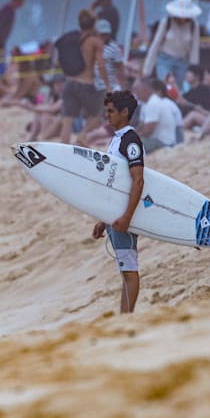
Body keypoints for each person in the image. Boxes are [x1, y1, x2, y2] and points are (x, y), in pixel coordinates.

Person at [90, 90, 145, 314]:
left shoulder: (131, 140)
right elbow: (116, 183)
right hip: (115, 216)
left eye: (111, 111)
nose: (107, 115)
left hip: (124, 215)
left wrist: (127, 217)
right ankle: (124, 317)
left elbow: (138, 180)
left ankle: (127, 319)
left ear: (124, 112)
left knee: (129, 270)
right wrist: (103, 220)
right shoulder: (117, 139)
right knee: (125, 270)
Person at [57, 9, 108, 144]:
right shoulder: (95, 42)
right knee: (98, 113)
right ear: (94, 24)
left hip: (69, 82)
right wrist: (108, 85)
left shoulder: (71, 39)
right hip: (86, 84)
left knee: (67, 121)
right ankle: (82, 135)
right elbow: (101, 66)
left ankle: (63, 149)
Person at [143, 0, 201, 89]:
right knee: (164, 87)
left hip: (182, 62)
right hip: (164, 59)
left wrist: (193, 69)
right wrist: (147, 69)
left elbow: (195, 48)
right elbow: (156, 44)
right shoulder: (166, 22)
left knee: (178, 89)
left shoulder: (194, 25)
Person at [133, 77, 182, 152]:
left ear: (146, 89)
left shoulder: (153, 103)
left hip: (165, 143)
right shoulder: (147, 103)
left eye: (137, 90)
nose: (135, 94)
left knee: (133, 145)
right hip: (159, 141)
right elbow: (141, 125)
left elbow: (148, 132)